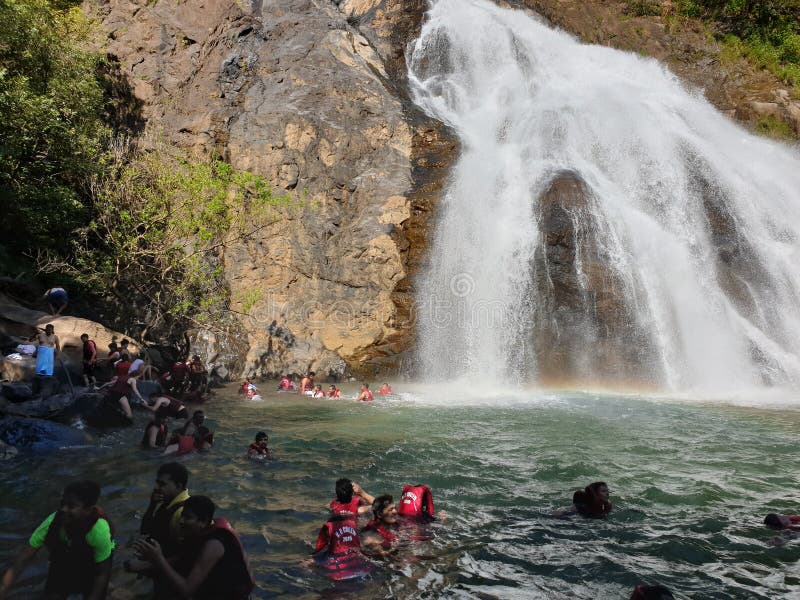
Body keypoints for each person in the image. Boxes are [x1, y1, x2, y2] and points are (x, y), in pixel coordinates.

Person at [0, 480, 113, 600]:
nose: (64, 509)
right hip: (63, 561)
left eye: (71, 506)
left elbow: (102, 573)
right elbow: (22, 560)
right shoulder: (52, 523)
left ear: (88, 510)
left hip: (92, 566)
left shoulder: (99, 530)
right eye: (62, 503)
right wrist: (3, 589)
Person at [133, 495, 253, 600]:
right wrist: (148, 562)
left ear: (203, 522)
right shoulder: (201, 532)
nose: (181, 521)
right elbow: (180, 558)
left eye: (188, 517)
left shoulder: (213, 545)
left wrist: (159, 559)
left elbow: (186, 590)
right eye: (182, 516)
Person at [126, 463, 191, 598]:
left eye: (162, 484)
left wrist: (145, 565)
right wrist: (152, 505)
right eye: (157, 482)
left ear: (178, 486)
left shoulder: (181, 514)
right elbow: (145, 530)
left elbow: (186, 556)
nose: (156, 487)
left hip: (173, 578)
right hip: (162, 571)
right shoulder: (167, 502)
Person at [312, 513, 371, 580]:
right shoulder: (360, 553)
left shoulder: (324, 556)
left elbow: (306, 565)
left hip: (339, 582)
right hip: (363, 576)